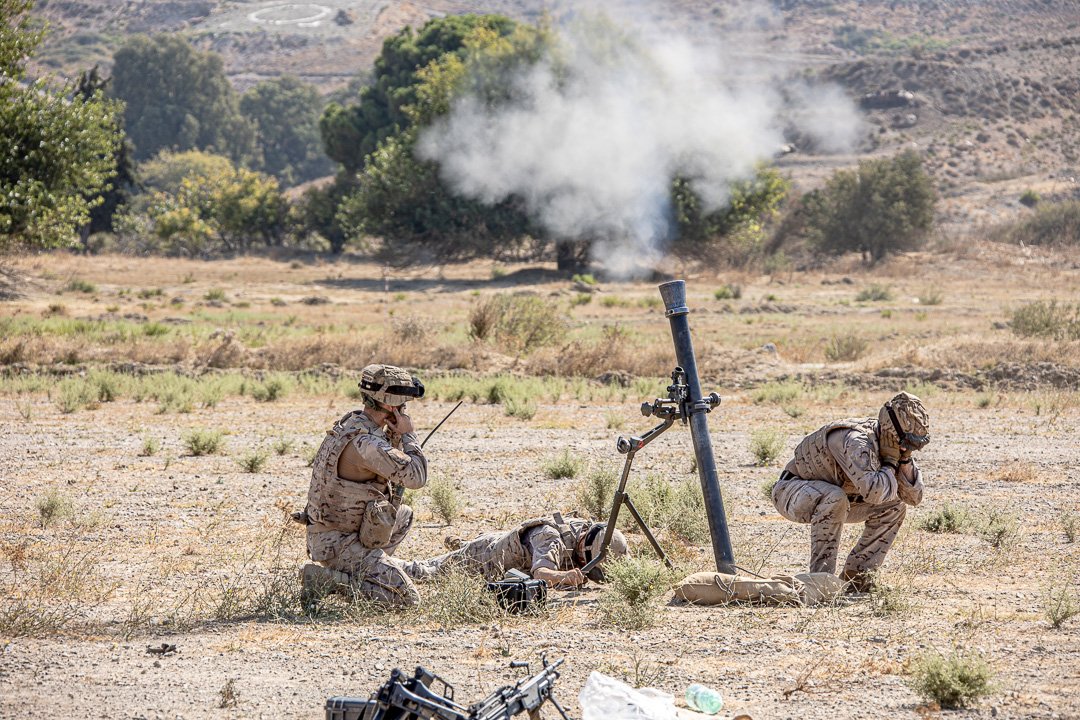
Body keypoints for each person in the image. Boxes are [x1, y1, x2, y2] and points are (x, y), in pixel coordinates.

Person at [770, 391, 930, 591]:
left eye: (914, 446)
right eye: (906, 443)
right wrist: (890, 462)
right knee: (835, 498)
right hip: (792, 492)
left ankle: (858, 578)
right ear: (891, 432)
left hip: (843, 499)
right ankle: (820, 582)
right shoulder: (856, 441)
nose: (907, 449)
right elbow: (875, 493)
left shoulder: (894, 443)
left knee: (895, 505)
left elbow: (914, 497)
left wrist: (904, 460)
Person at [299, 364, 428, 606]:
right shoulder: (367, 443)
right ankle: (331, 580)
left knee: (402, 516)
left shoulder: (353, 423)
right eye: (403, 404)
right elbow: (416, 477)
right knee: (407, 600)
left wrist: (395, 435)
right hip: (338, 543)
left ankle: (368, 570)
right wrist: (408, 434)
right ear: (392, 407)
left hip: (332, 532)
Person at [404, 513, 629, 588]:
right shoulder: (551, 539)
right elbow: (541, 574)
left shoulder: (583, 531)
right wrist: (565, 576)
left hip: (506, 543)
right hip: (486, 559)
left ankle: (462, 543)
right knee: (425, 571)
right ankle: (385, 563)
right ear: (584, 551)